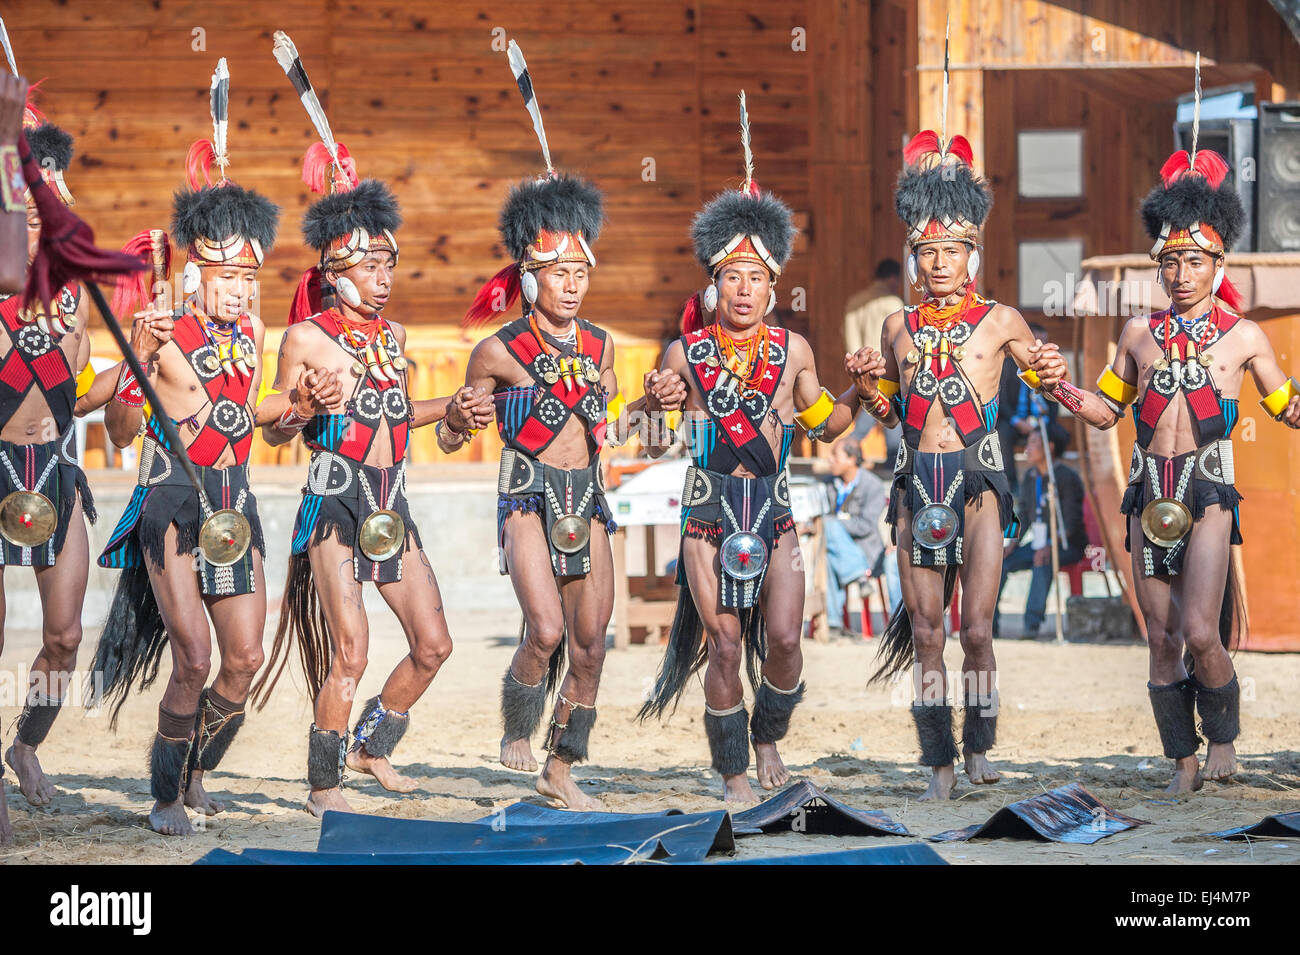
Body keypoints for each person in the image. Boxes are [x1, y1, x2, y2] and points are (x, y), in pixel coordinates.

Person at [1028, 139, 1300, 793]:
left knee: (1202, 629)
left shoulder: (1245, 336)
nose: (1182, 273)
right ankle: (1182, 760)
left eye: (1195, 260)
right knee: (1161, 638)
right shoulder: (1136, 335)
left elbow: (1287, 405)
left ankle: (1224, 744)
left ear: (1217, 262)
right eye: (1171, 261)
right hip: (1147, 491)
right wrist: (1057, 385)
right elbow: (1103, 412)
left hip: (1207, 490)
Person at [455, 45, 685, 809]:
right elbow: (457, 432)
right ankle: (516, 726)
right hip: (525, 493)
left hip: (587, 497)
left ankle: (562, 764)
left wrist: (653, 404)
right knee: (547, 630)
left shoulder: (603, 346)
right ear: (531, 277)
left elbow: (614, 428)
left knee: (592, 643)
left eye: (583, 273)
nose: (573, 284)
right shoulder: (498, 348)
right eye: (559, 273)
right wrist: (462, 418)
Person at [252, 105, 490, 814]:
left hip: (392, 498)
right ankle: (324, 784)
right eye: (372, 264)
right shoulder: (304, 337)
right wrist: (302, 404)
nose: (385, 277)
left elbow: (394, 412)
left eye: (391, 263)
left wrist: (446, 409)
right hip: (333, 499)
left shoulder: (395, 335)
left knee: (434, 643)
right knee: (349, 650)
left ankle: (370, 744)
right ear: (336, 268)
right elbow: (272, 429)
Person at [639, 93, 863, 803]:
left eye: (757, 277)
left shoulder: (794, 349)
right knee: (726, 643)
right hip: (707, 515)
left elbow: (827, 425)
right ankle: (734, 766)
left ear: (773, 286)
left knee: (789, 642)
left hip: (775, 513)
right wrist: (655, 400)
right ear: (714, 285)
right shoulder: (684, 351)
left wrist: (862, 390)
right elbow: (640, 429)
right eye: (732, 276)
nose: (744, 287)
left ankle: (769, 734)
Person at [89, 61, 279, 836]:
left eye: (246, 276)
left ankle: (197, 767)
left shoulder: (256, 334)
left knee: (244, 660)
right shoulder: (163, 333)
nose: (236, 289)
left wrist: (293, 409)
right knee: (194, 658)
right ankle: (164, 796)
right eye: (223, 275)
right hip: (171, 505)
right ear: (195, 270)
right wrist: (137, 359)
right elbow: (122, 431)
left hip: (236, 503)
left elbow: (248, 417)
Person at [853, 123, 1068, 800]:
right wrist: (867, 391)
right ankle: (939, 763)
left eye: (951, 250)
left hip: (980, 485)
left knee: (975, 628)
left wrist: (1054, 367)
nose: (939, 261)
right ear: (914, 256)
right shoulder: (896, 328)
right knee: (925, 631)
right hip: (917, 485)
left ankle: (978, 742)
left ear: (971, 254)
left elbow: (1043, 382)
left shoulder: (1003, 320)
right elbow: (888, 414)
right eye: (928, 250)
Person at [0, 96, 98, 816]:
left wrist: (137, 373)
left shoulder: (74, 303)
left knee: (64, 635)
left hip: (57, 473)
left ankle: (27, 742)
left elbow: (74, 400)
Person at [994, 423, 1084, 640]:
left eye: (1033, 443)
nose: (1027, 449)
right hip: (1038, 543)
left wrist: (1051, 545)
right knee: (1002, 562)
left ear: (1049, 447)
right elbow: (1022, 514)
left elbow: (1071, 522)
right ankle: (991, 623)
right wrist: (1012, 543)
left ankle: (1031, 625)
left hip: (1067, 544)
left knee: (1042, 560)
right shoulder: (1030, 477)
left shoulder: (1066, 478)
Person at [824, 437, 887, 629]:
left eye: (836, 455)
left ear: (851, 459)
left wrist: (839, 522)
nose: (830, 460)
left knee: (831, 526)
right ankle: (858, 578)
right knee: (828, 557)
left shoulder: (873, 485)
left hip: (866, 551)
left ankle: (835, 622)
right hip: (838, 551)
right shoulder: (830, 484)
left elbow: (866, 525)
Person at [846, 259, 904, 459]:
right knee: (891, 405)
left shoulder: (854, 303)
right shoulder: (893, 304)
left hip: (861, 364)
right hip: (886, 365)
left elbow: (850, 338)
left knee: (876, 405)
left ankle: (854, 442)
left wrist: (858, 367)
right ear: (893, 278)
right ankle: (889, 454)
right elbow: (899, 339)